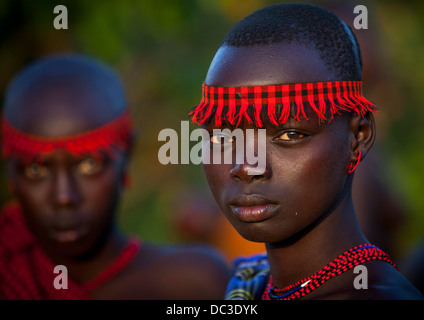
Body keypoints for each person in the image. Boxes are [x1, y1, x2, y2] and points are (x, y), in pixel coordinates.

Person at [189, 3, 423, 300]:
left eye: (290, 134)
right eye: (222, 137)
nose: (247, 166)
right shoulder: (247, 284)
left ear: (358, 138)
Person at [0, 54, 230, 299]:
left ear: (127, 153)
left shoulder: (192, 284)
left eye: (89, 164)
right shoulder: (10, 272)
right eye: (37, 170)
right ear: (11, 173)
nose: (64, 196)